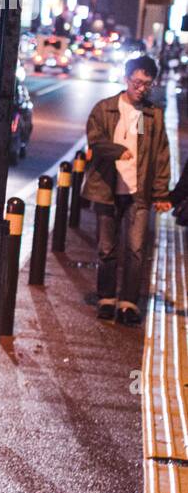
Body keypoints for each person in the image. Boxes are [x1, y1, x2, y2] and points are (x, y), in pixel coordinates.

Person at [82, 55, 173, 325]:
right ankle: (107, 299)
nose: (141, 88)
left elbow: (160, 154)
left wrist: (160, 193)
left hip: (138, 193)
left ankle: (129, 302)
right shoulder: (105, 109)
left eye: (147, 84)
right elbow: (95, 141)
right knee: (107, 248)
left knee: (135, 249)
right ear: (126, 78)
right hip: (106, 190)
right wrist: (118, 151)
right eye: (137, 82)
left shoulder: (152, 115)